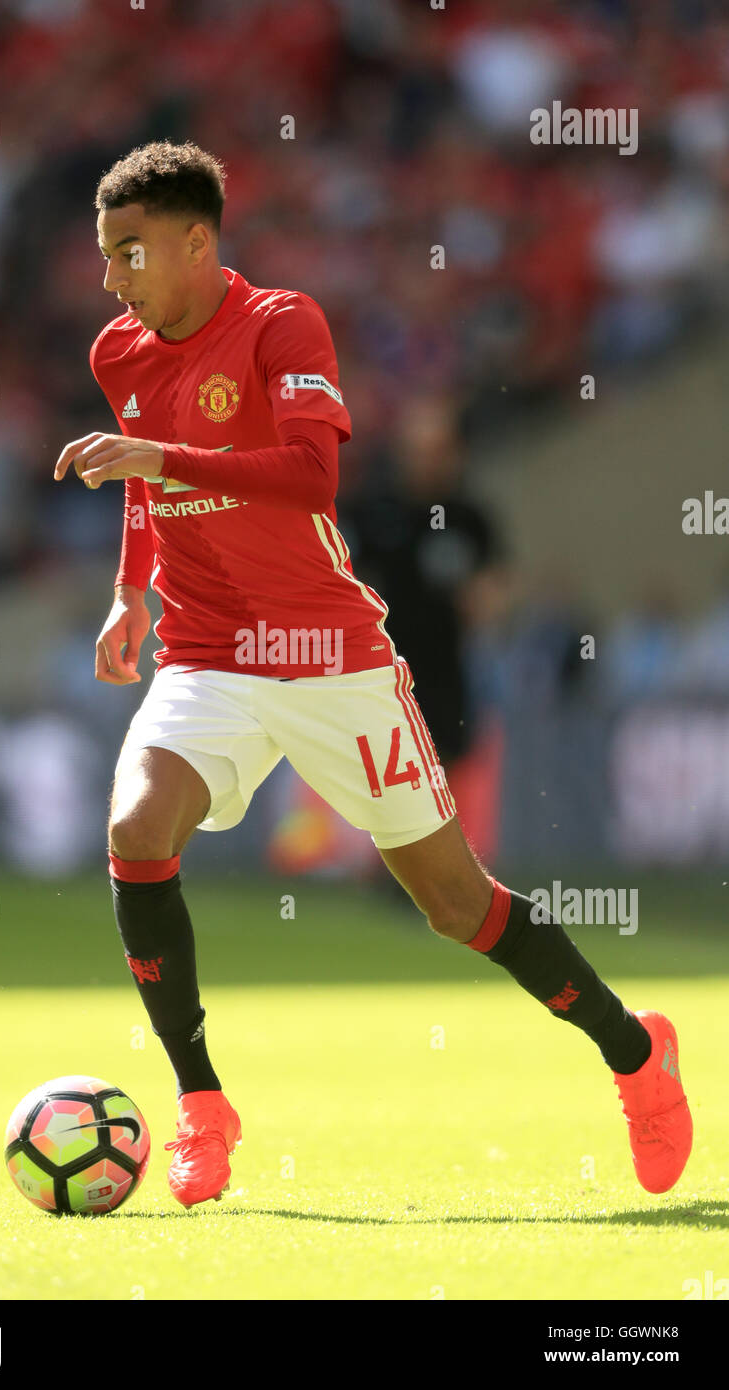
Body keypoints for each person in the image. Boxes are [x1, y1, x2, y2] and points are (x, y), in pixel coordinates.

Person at [54, 140, 691, 1209]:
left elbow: (311, 473)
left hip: (331, 657)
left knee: (456, 905)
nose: (112, 276)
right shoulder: (119, 352)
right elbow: (140, 474)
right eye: (106, 255)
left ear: (197, 242)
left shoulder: (280, 323)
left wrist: (164, 463)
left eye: (130, 252)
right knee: (135, 830)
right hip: (209, 652)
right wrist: (132, 591)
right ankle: (202, 1104)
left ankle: (636, 1057)